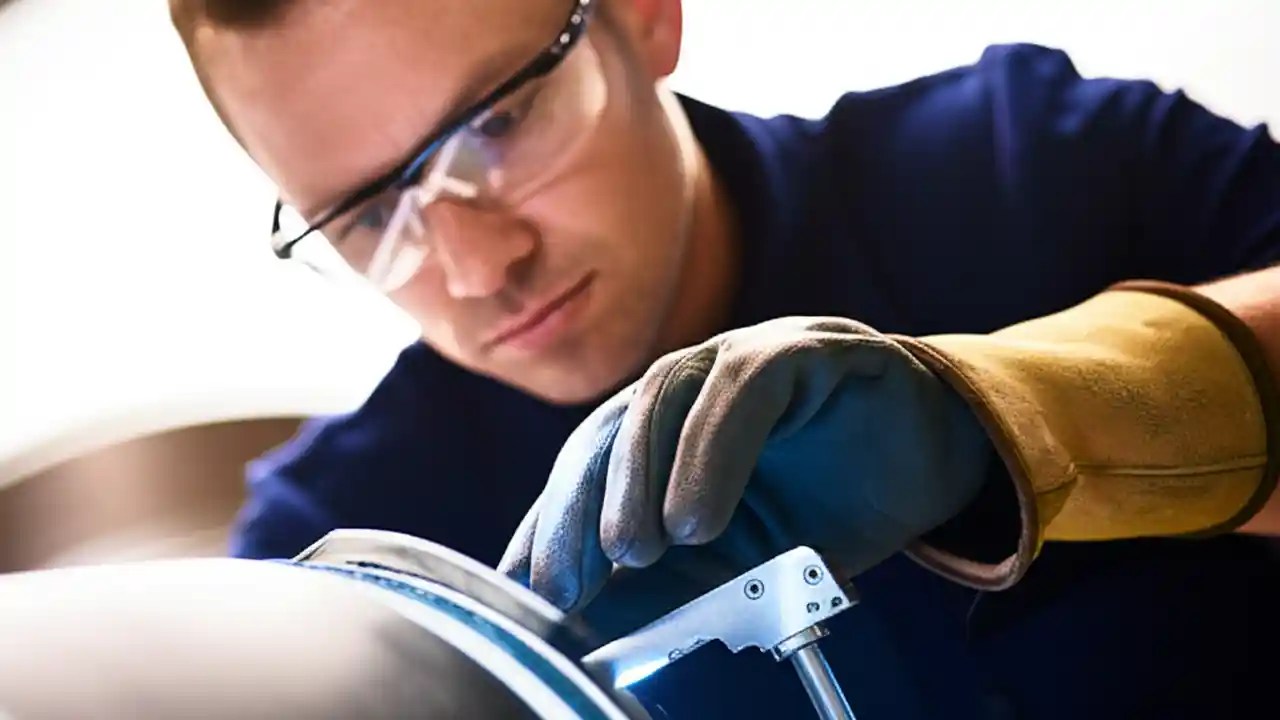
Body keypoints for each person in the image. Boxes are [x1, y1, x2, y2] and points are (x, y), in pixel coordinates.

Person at [168, 1, 1280, 718]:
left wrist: (1011, 415)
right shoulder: (331, 576)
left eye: (497, 125)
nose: (473, 267)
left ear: (643, 16)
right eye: (366, 217)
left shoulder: (1036, 164)